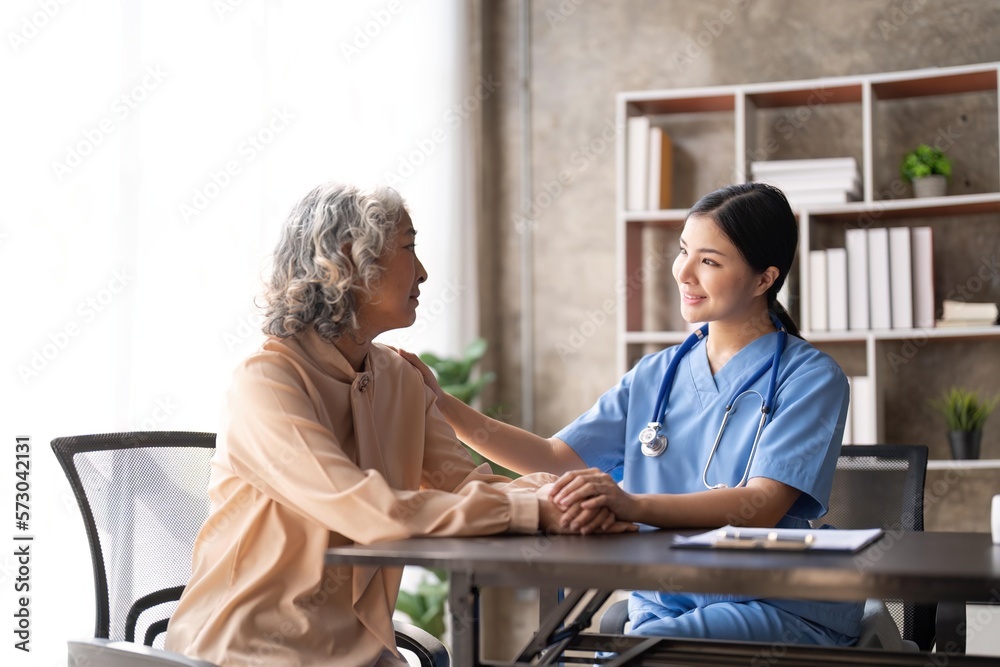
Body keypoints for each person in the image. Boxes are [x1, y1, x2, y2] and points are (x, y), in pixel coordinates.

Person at [164, 182, 633, 667]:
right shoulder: (264, 383)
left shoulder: (399, 378)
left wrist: (565, 497)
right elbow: (367, 510)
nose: (424, 272)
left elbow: (467, 484)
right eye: (409, 247)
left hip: (364, 652)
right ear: (347, 263)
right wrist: (534, 510)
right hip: (249, 651)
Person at [400, 182, 862, 647]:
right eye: (684, 251)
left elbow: (760, 506)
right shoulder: (657, 374)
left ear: (764, 279)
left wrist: (632, 505)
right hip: (663, 601)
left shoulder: (811, 378)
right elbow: (553, 457)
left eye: (709, 261)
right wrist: (441, 403)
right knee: (610, 647)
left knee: (637, 652)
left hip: (771, 601)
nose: (684, 272)